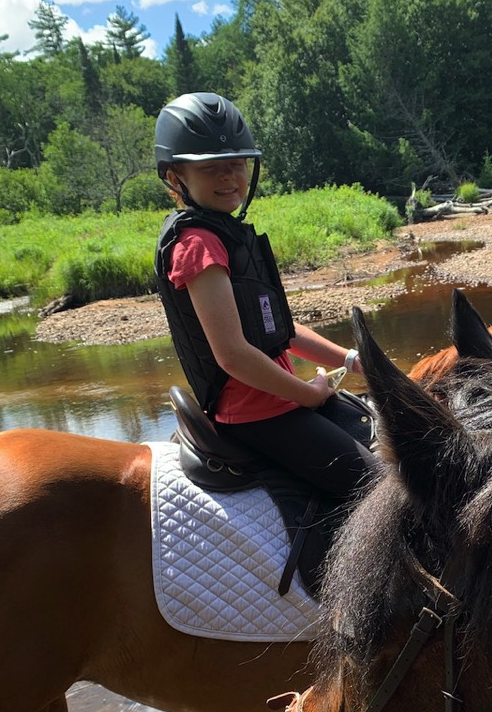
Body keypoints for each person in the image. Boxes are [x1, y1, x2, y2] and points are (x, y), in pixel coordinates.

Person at [153, 92, 375, 498]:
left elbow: (279, 331)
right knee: (383, 492)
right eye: (210, 167)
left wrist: (351, 360)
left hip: (277, 402)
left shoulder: (226, 236)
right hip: (256, 415)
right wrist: (308, 395)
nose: (228, 176)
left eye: (236, 164)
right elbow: (233, 355)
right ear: (175, 177)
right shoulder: (198, 245)